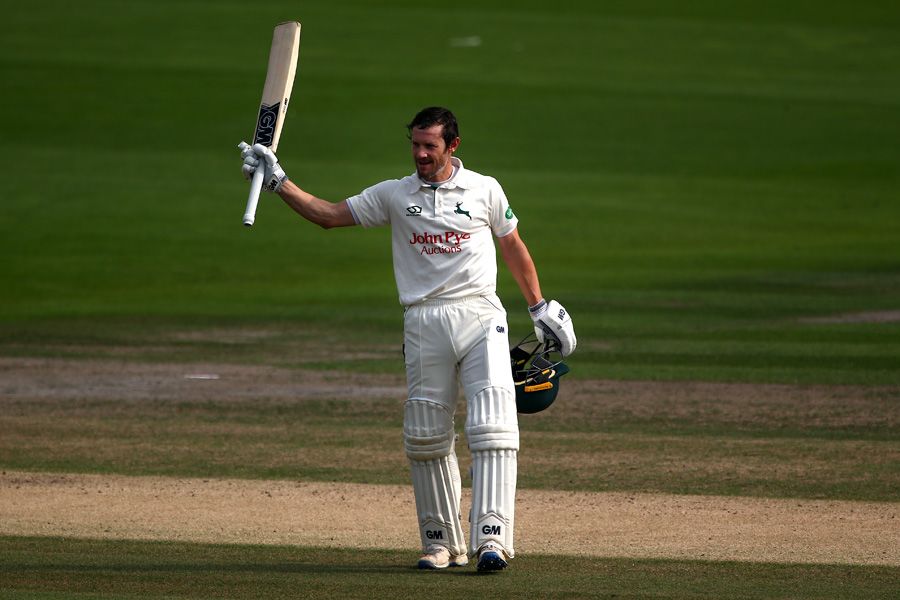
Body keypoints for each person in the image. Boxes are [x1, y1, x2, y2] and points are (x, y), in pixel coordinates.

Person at [239, 106, 576, 572]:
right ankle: (441, 543)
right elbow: (330, 216)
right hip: (422, 320)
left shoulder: (485, 189)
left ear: (452, 146)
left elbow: (512, 245)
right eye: (415, 144)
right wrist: (279, 182)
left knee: (493, 426)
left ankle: (492, 538)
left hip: (480, 313)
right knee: (425, 434)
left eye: (429, 145)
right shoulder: (396, 195)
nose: (420, 153)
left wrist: (538, 304)